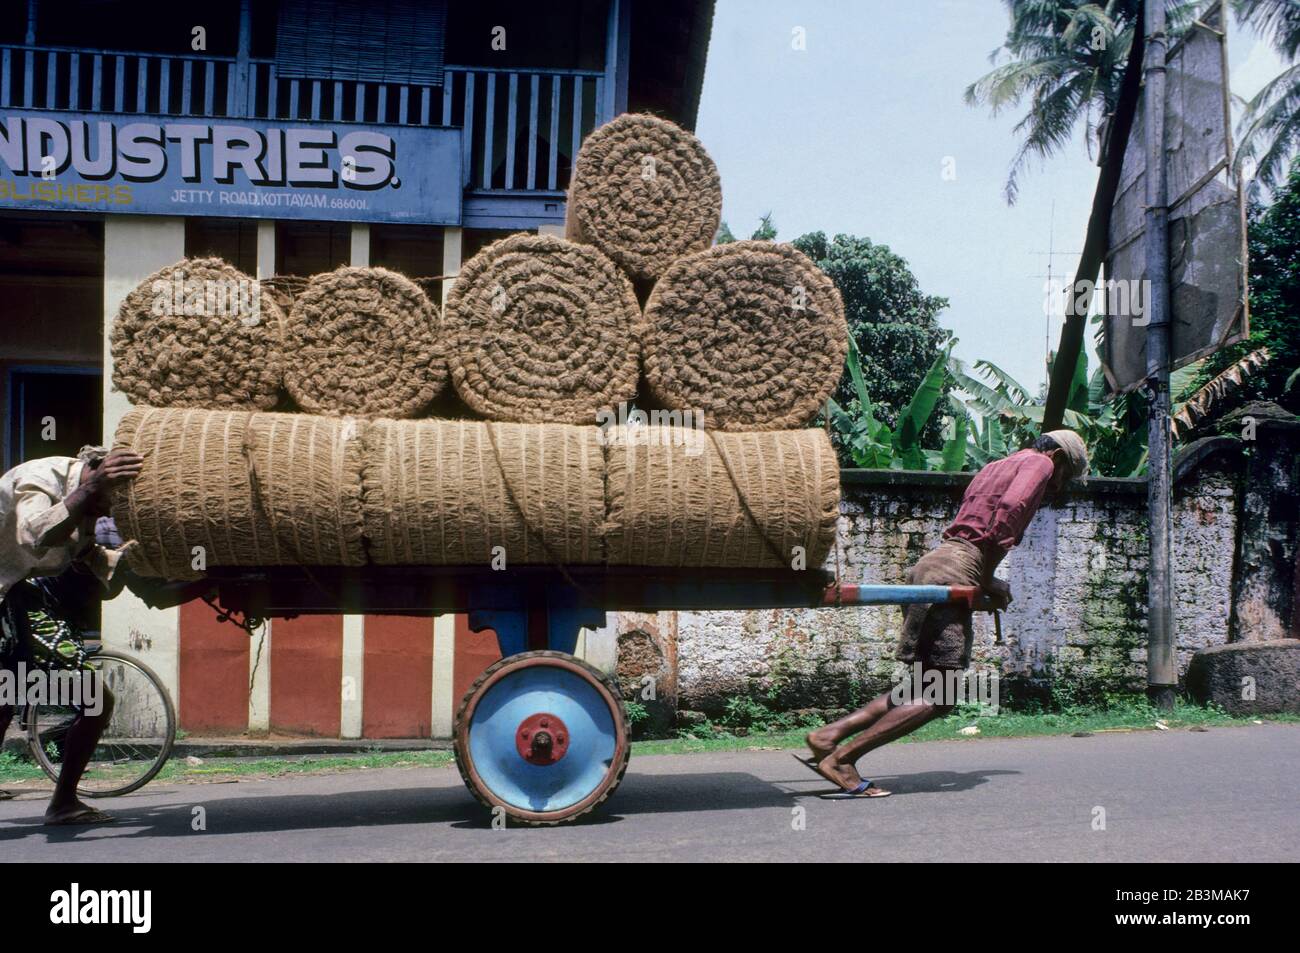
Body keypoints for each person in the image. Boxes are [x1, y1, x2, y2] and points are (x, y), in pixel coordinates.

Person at [800, 430, 1090, 797]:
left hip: (934, 563)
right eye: (1063, 478)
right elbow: (1007, 518)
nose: (1057, 486)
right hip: (959, 569)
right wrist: (988, 579)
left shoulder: (998, 464)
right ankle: (842, 758)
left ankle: (827, 736)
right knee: (942, 693)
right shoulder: (1040, 464)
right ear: (1061, 460)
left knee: (922, 685)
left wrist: (985, 579)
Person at [0, 445, 143, 824]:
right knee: (95, 699)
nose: (110, 514)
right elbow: (35, 535)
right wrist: (91, 489)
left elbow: (103, 571)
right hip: (11, 597)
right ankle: (63, 804)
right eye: (111, 501)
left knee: (7, 696)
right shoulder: (40, 478)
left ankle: (63, 803)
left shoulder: (88, 509)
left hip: (17, 597)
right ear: (93, 475)